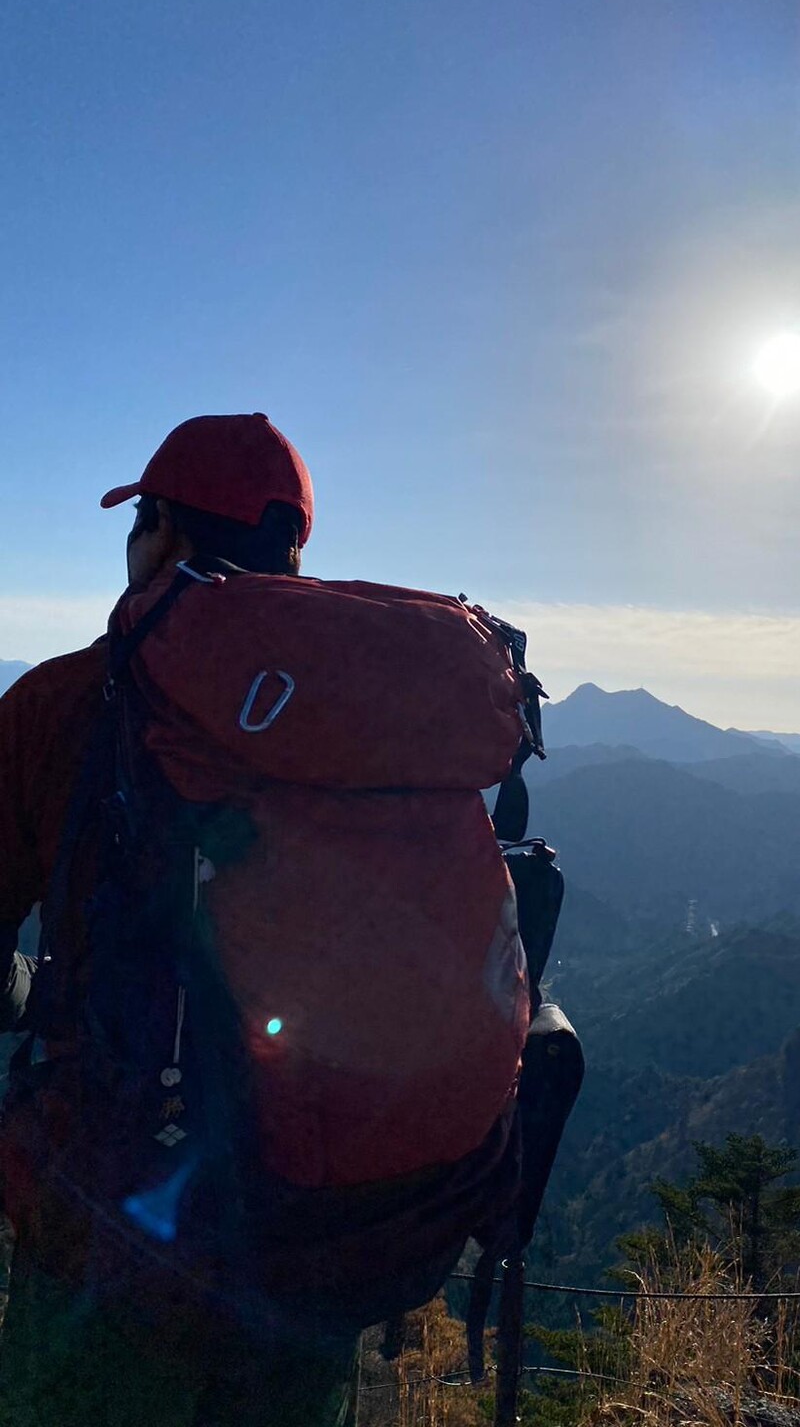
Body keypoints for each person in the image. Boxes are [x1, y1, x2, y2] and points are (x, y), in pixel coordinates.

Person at [0, 412, 528, 1426]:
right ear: (291, 554)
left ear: (163, 533)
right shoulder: (378, 731)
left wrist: (34, 994)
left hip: (109, 1255)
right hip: (329, 1245)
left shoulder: (66, 705)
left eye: (141, 522)